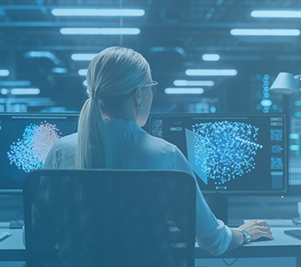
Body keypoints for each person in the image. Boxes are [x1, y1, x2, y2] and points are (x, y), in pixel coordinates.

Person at [44, 46, 273, 256]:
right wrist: (244, 233)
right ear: (138, 95)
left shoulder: (61, 150)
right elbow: (212, 239)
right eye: (151, 88)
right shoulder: (166, 155)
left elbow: (35, 234)